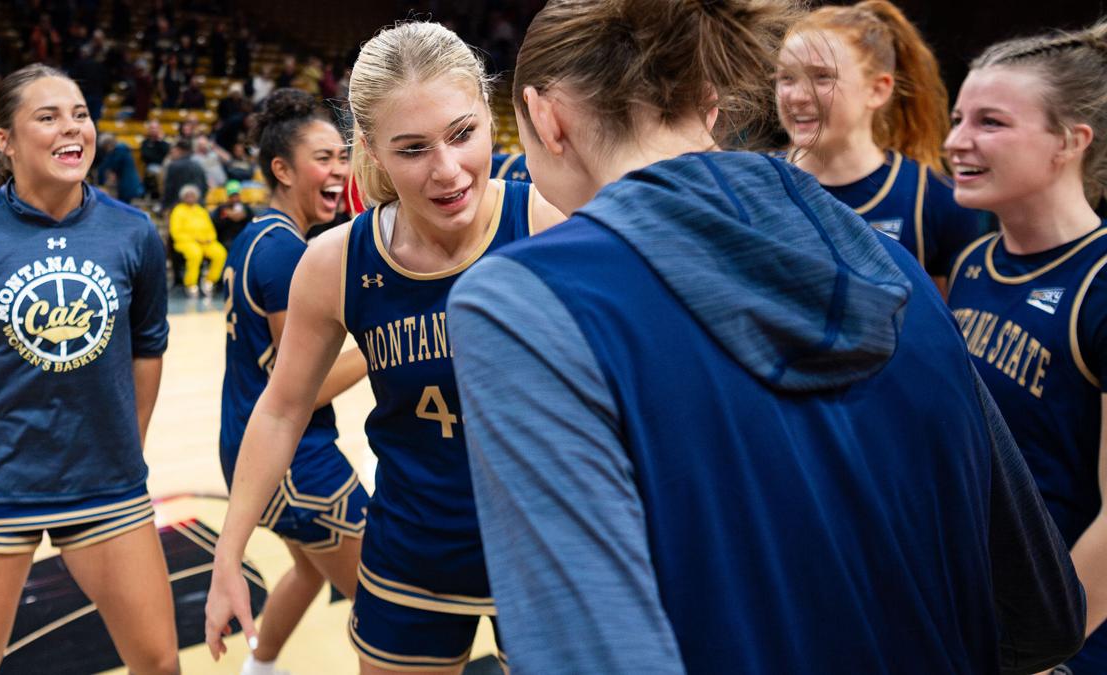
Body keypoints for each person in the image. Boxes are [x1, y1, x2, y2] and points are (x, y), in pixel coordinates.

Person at [444, 1, 1087, 673]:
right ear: (711, 102)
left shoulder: (523, 299)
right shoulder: (891, 264)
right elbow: (1042, 614)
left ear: (545, 116)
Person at [204, 21, 564, 673]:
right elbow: (282, 407)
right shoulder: (333, 261)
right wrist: (228, 550)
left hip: (549, 548)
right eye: (413, 148)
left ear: (490, 113)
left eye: (463, 134)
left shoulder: (550, 223)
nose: (448, 170)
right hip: (413, 551)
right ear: (370, 147)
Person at [0, 63, 177, 673]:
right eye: (48, 117)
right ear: (3, 140)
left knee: (159, 663)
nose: (72, 128)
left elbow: (148, 348)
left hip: (107, 488)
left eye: (80, 114)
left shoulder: (133, 234)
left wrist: (127, 444)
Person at [945, 20, 1107, 673]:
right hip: (981, 615)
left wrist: (1043, 650)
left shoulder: (1097, 285)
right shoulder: (972, 263)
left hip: (1066, 643)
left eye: (991, 122)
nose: (956, 140)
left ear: (1070, 141)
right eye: (957, 117)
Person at [220, 88, 369, 675]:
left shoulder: (256, 237)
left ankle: (259, 669)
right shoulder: (287, 256)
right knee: (387, 601)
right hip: (295, 461)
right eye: (324, 159)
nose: (338, 170)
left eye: (342, 157)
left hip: (247, 449)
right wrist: (385, 346)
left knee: (309, 570)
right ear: (282, 170)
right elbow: (304, 386)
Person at [775, 0, 982, 296]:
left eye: (822, 77)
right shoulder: (750, 182)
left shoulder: (932, 198)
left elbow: (947, 328)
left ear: (878, 89)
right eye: (786, 78)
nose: (796, 96)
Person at [170, 183, 227, 298]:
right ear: (183, 197)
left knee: (220, 253)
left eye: (193, 195)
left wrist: (209, 239)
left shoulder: (201, 211)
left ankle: (210, 281)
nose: (190, 197)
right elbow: (175, 231)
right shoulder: (178, 211)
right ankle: (191, 284)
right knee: (195, 254)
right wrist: (194, 239)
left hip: (205, 242)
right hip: (186, 242)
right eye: (188, 195)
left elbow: (211, 229)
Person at [160, 137, 207, 213]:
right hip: (198, 207)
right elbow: (205, 187)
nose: (171, 154)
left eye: (173, 151)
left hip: (179, 208)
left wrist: (164, 206)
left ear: (179, 150)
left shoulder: (173, 166)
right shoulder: (198, 165)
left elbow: (169, 189)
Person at [212, 179, 254, 248]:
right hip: (227, 239)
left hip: (243, 237)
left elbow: (252, 222)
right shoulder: (222, 208)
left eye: (236, 196)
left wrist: (244, 216)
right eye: (232, 196)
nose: (234, 199)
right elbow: (216, 225)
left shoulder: (245, 207)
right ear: (228, 197)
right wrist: (227, 216)